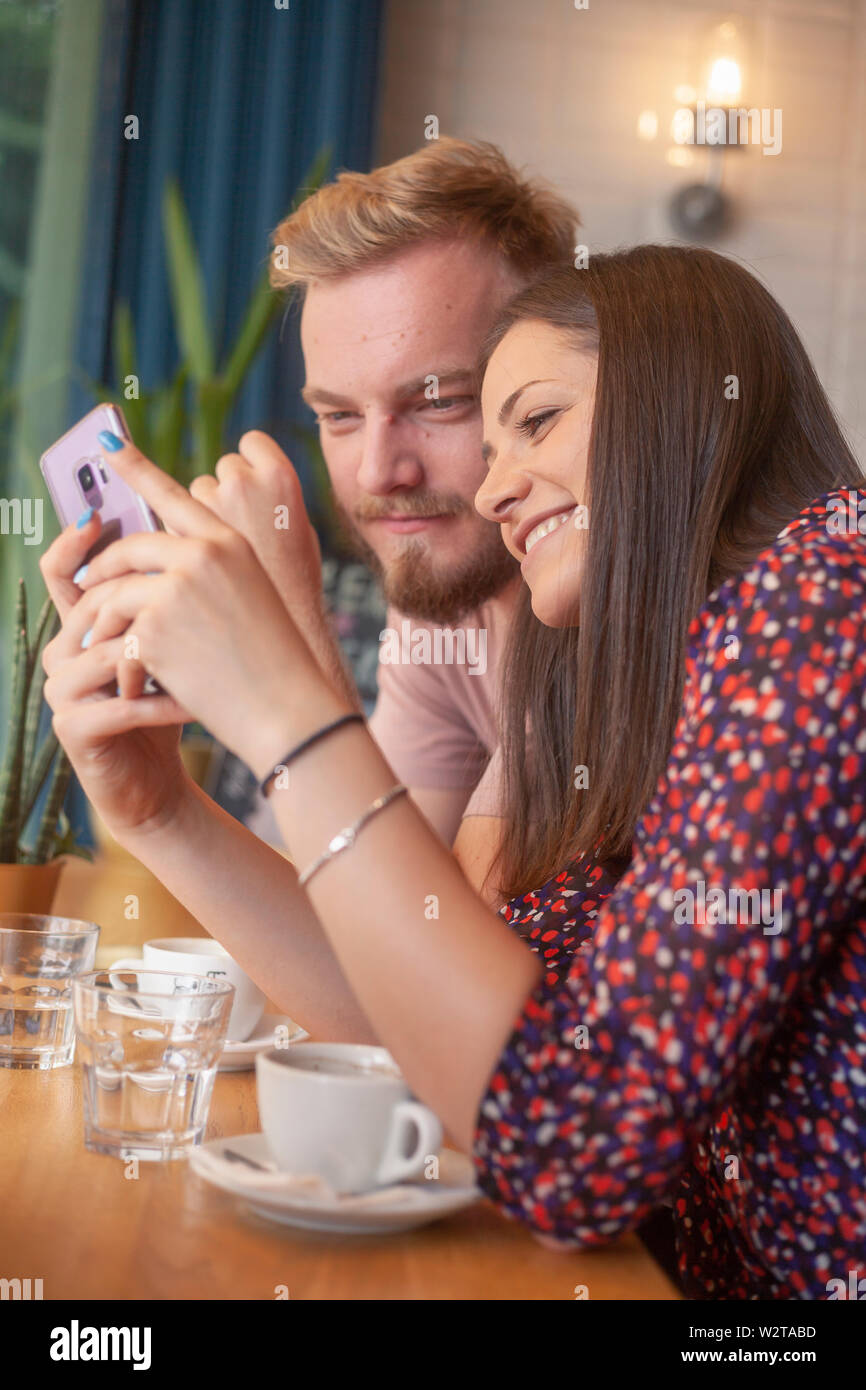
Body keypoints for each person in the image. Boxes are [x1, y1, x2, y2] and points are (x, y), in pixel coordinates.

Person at [43, 244, 866, 1298]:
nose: (490, 489)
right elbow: (435, 1032)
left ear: (675, 395)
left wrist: (285, 709)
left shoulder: (822, 604)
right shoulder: (663, 673)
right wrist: (162, 812)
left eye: (533, 420)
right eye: (486, 441)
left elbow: (571, 1144)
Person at [185, 137, 580, 899]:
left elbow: (452, 991)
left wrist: (294, 629)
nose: (377, 473)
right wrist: (149, 804)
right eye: (337, 416)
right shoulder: (442, 599)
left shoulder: (602, 605)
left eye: (437, 402)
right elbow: (381, 932)